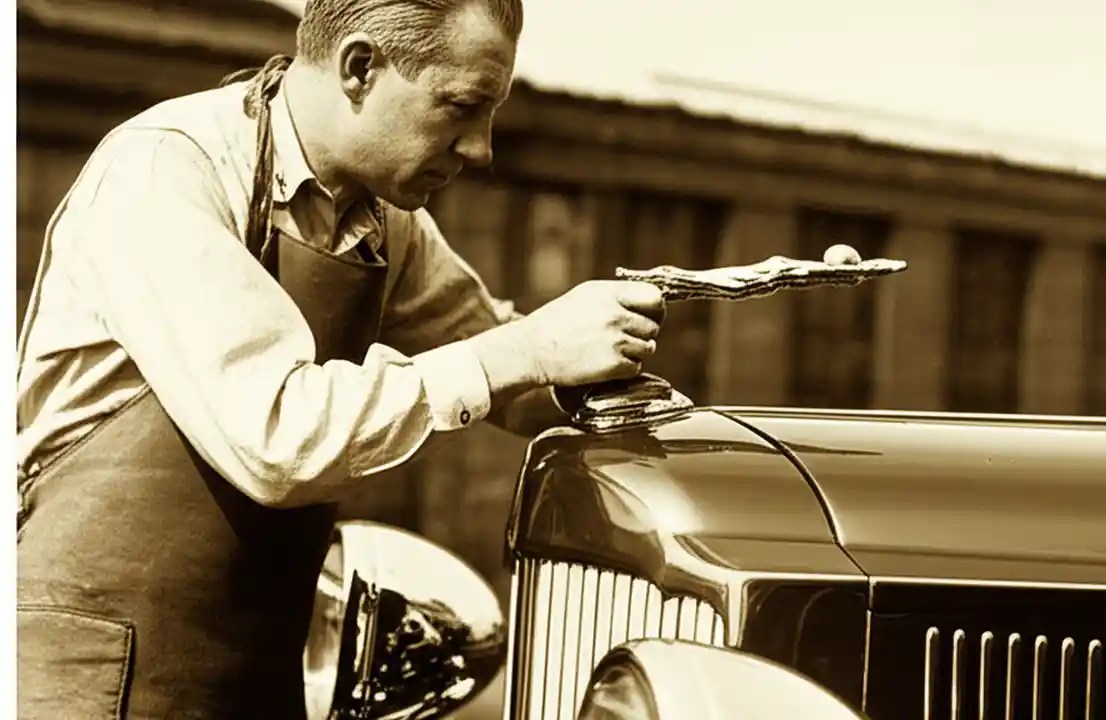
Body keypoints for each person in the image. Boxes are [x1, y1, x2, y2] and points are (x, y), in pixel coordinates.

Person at [14, 0, 665, 717]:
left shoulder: (383, 221)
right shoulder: (165, 170)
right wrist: (527, 350)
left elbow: (515, 372)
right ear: (359, 68)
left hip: (257, 676)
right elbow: (276, 435)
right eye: (463, 106)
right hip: (95, 679)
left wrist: (637, 390)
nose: (482, 149)